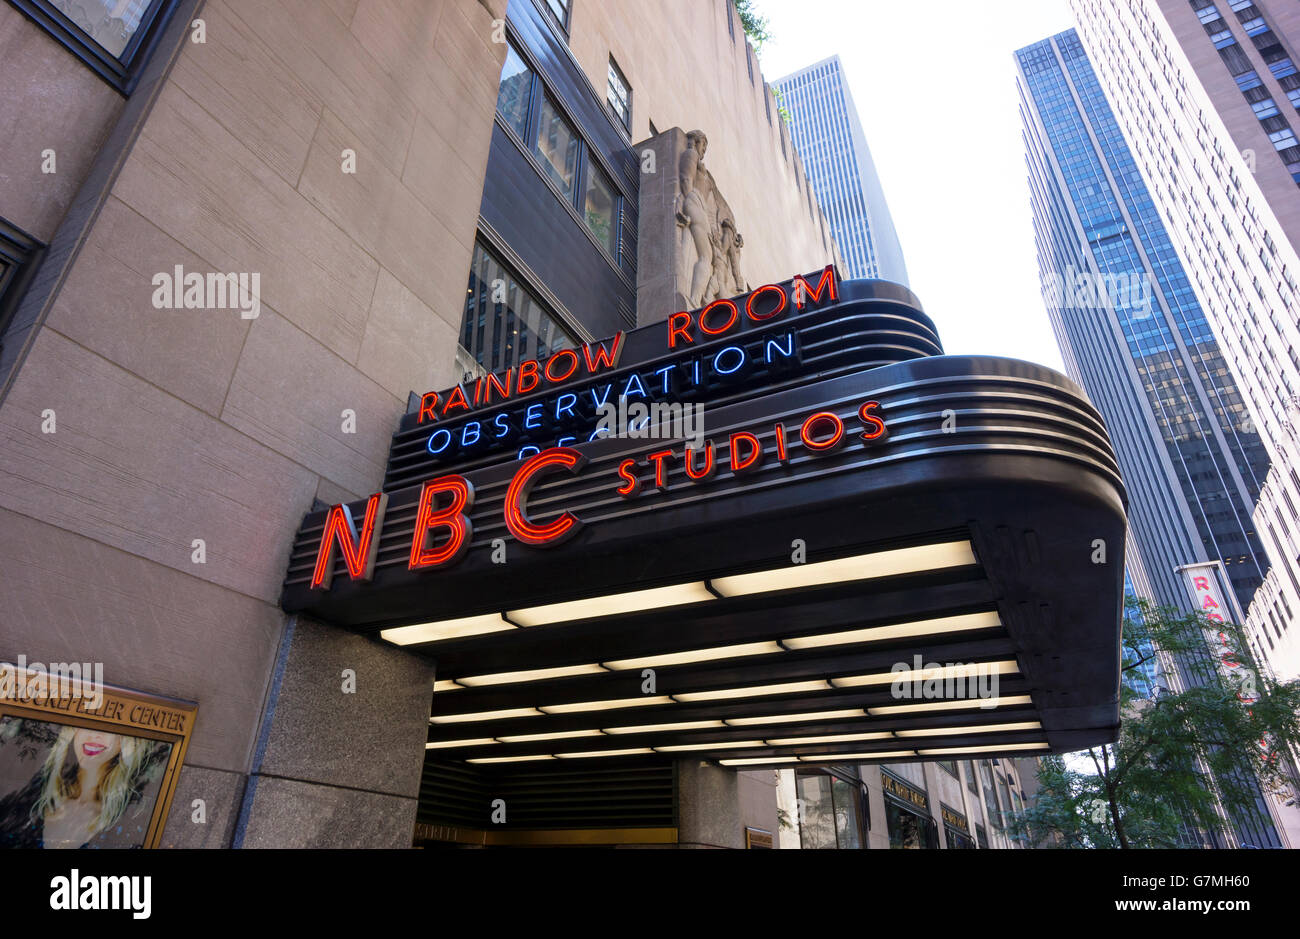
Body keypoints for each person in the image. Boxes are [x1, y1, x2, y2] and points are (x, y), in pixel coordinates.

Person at [0, 725, 163, 848]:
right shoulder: (32, 791)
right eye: (87, 724)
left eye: (110, 728)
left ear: (125, 743)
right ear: (72, 731)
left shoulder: (131, 817)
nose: (95, 735)